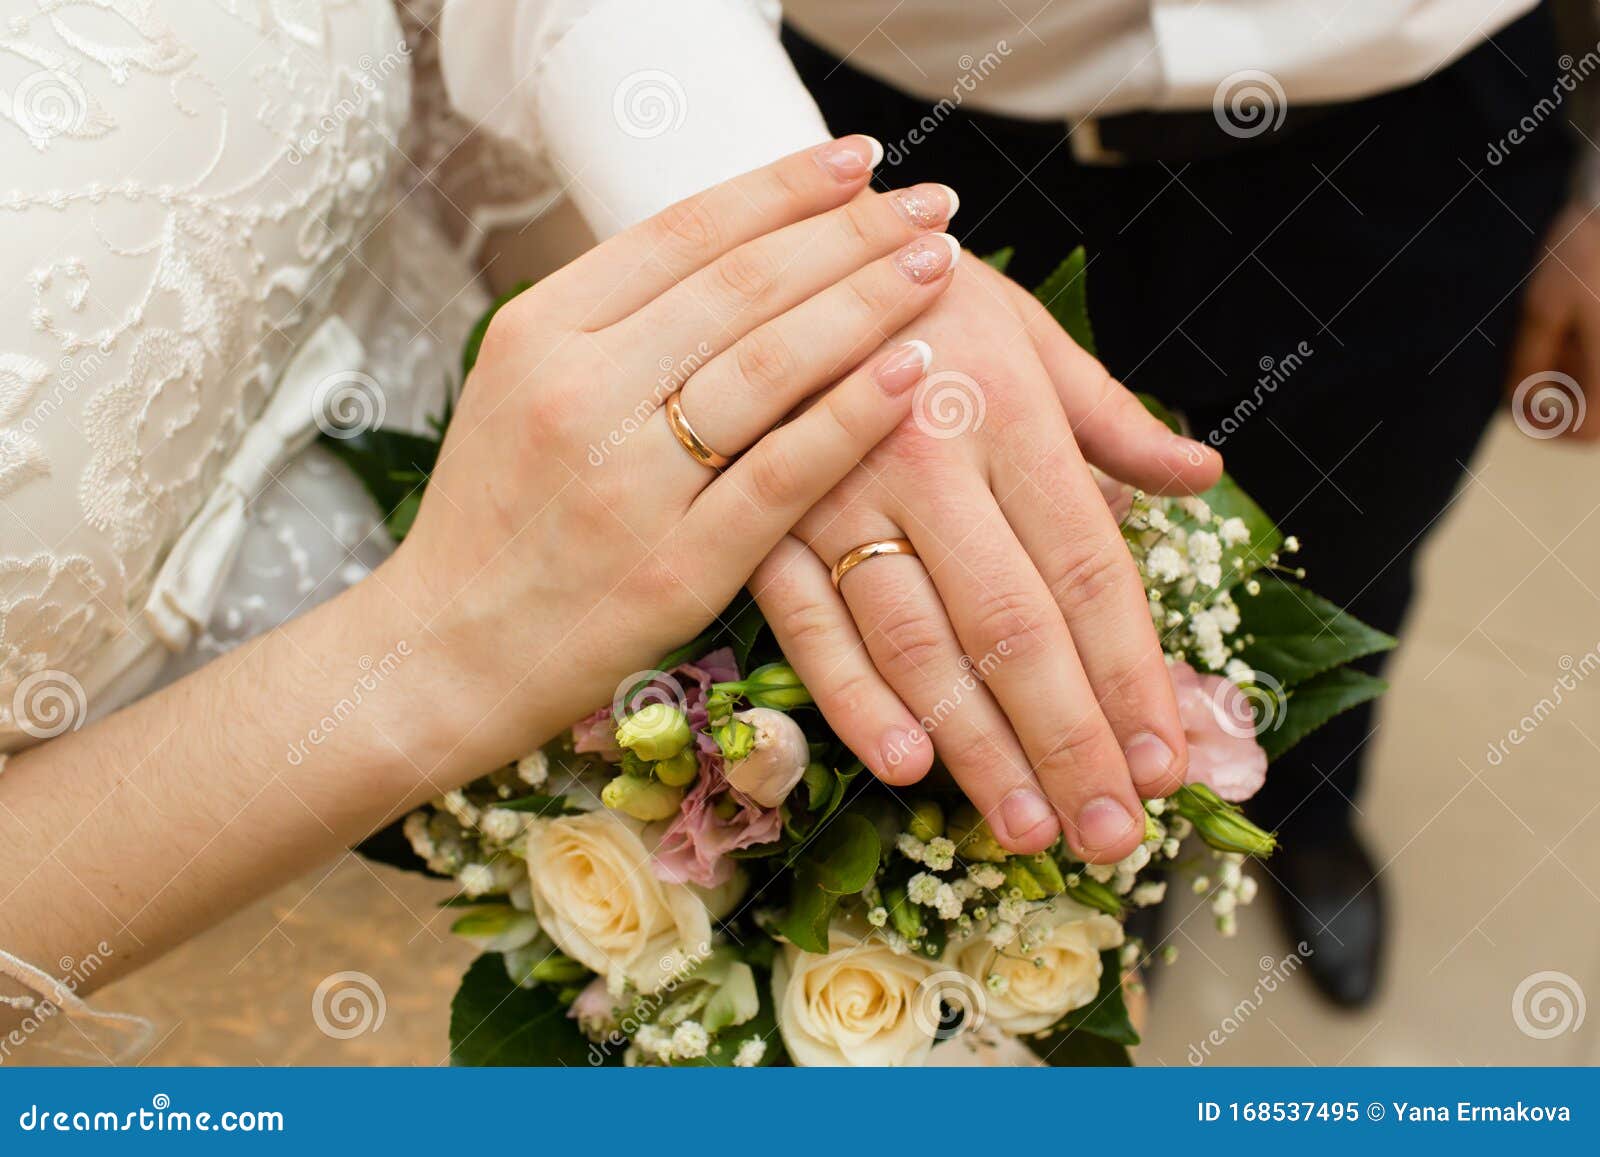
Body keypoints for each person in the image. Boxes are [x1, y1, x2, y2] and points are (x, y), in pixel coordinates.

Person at [440, 0, 1592, 1005]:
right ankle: (1113, 874)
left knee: (1363, 539)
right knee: (973, 610)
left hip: (1418, 131)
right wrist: (827, 287)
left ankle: (1316, 812)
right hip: (910, 126)